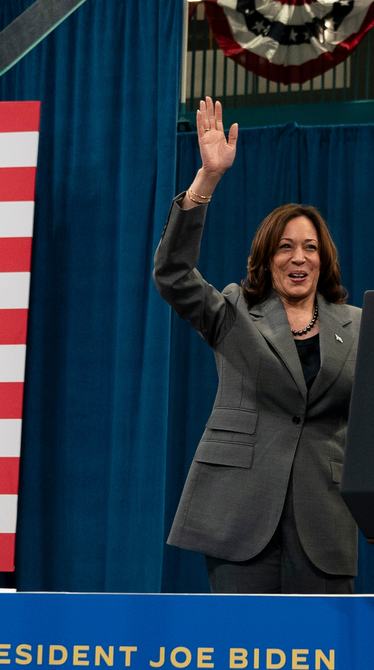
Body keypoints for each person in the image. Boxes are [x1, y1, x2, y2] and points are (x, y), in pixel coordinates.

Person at [154, 97, 360, 594]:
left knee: (320, 660)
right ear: (267, 260)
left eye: (309, 247)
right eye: (285, 247)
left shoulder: (358, 326)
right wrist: (206, 181)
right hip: (240, 513)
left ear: (323, 259)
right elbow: (173, 274)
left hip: (324, 519)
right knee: (243, 656)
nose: (298, 257)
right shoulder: (233, 312)